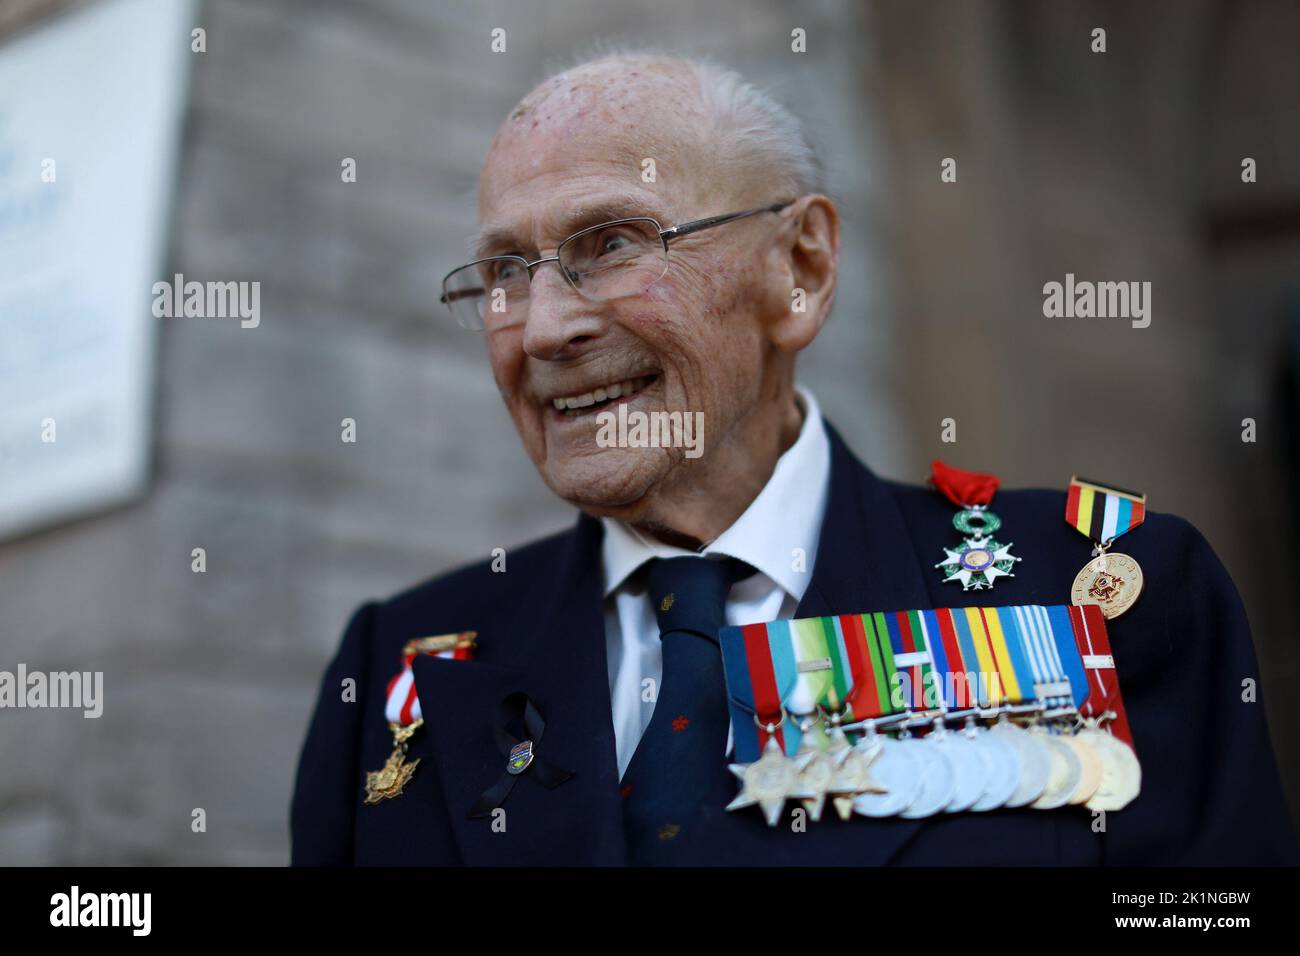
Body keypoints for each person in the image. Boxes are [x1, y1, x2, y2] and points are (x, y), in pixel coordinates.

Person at [290, 51, 1297, 865]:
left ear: (800, 269)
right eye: (507, 271)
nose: (544, 326)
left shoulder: (1096, 587)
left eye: (611, 243)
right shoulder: (403, 661)